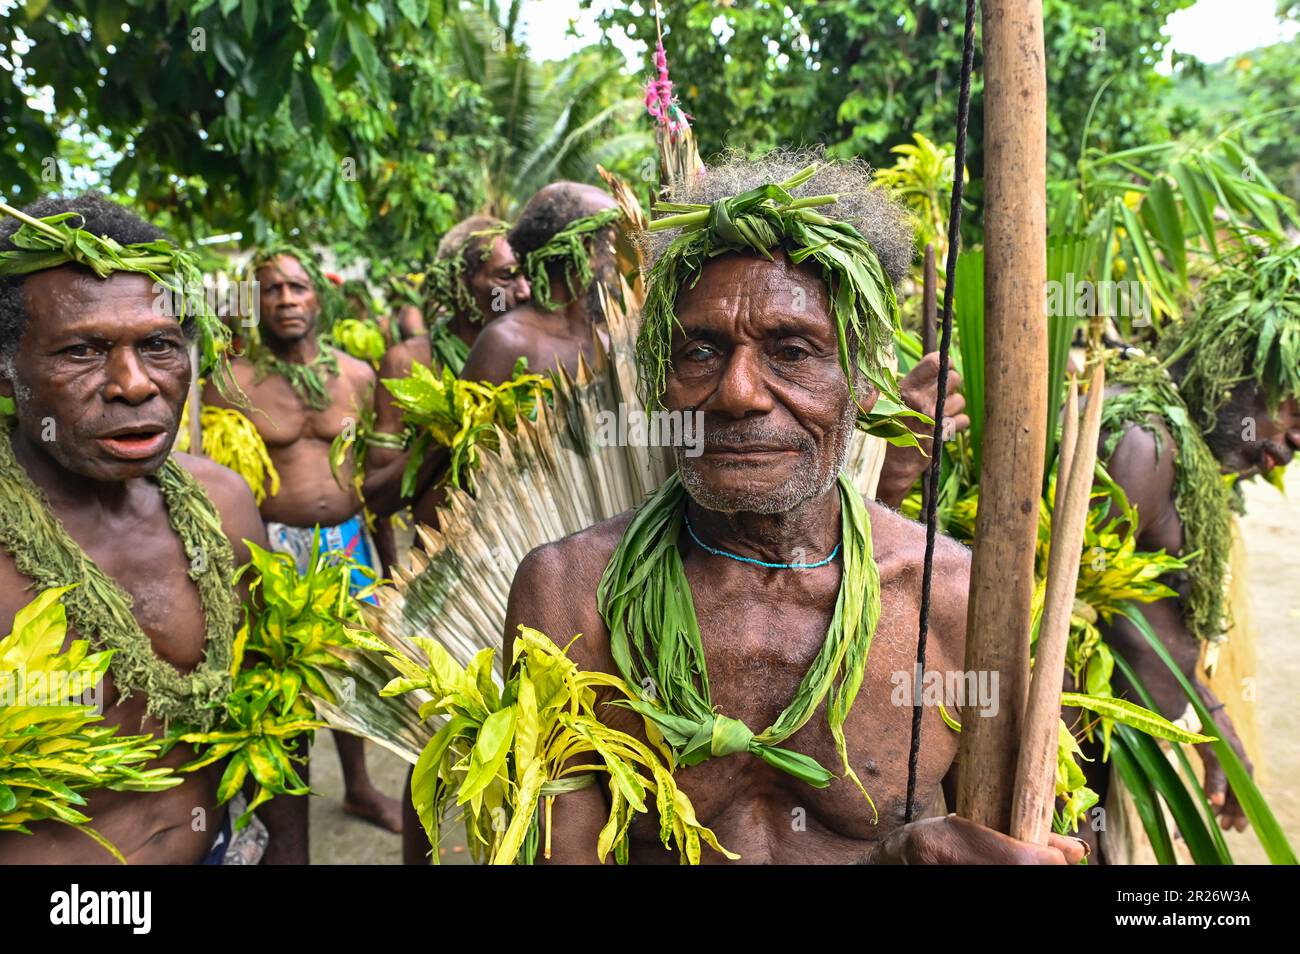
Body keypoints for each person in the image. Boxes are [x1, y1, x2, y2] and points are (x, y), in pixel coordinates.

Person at [503, 152, 1087, 864]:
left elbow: (1014, 840)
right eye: (700, 351)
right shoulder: (571, 598)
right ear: (661, 383)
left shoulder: (956, 601)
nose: (738, 392)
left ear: (867, 380)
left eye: (792, 350)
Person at [0, 193, 305, 863]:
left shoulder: (220, 503)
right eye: (83, 350)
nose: (134, 384)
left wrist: (288, 852)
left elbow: (273, 703)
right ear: (7, 368)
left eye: (159, 346)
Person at [1092, 243, 1300, 851]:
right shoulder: (1139, 445)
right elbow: (1064, 621)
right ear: (1238, 364)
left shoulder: (1192, 457)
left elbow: (1139, 606)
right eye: (1294, 411)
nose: (1292, 443)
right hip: (1080, 769)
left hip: (1125, 762)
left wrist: (1204, 709)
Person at [203, 245, 402, 833]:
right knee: (282, 680)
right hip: (270, 549)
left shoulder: (359, 376)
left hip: (348, 542)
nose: (286, 299)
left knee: (350, 672)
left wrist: (390, 564)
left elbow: (372, 479)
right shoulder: (227, 383)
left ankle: (360, 787)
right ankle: (283, 817)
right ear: (253, 303)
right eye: (271, 290)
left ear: (319, 295)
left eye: (297, 287)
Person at [364, 216, 529, 524]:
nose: (524, 292)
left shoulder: (535, 355)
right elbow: (377, 497)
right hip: (447, 555)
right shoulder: (408, 363)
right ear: (458, 283)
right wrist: (452, 429)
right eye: (506, 277)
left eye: (528, 276)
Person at [459, 183, 621, 386]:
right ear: (588, 250)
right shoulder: (506, 344)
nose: (624, 259)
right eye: (615, 244)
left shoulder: (611, 341)